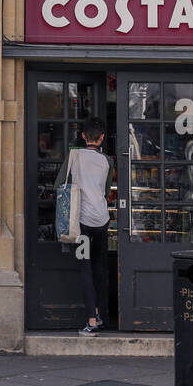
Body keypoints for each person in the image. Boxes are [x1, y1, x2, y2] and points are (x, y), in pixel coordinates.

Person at [76, 116, 113, 334]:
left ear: (83, 136)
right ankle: (102, 314)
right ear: (101, 137)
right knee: (100, 267)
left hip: (82, 222)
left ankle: (91, 320)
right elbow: (107, 191)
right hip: (102, 220)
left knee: (85, 267)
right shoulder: (107, 160)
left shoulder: (75, 156)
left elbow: (60, 183)